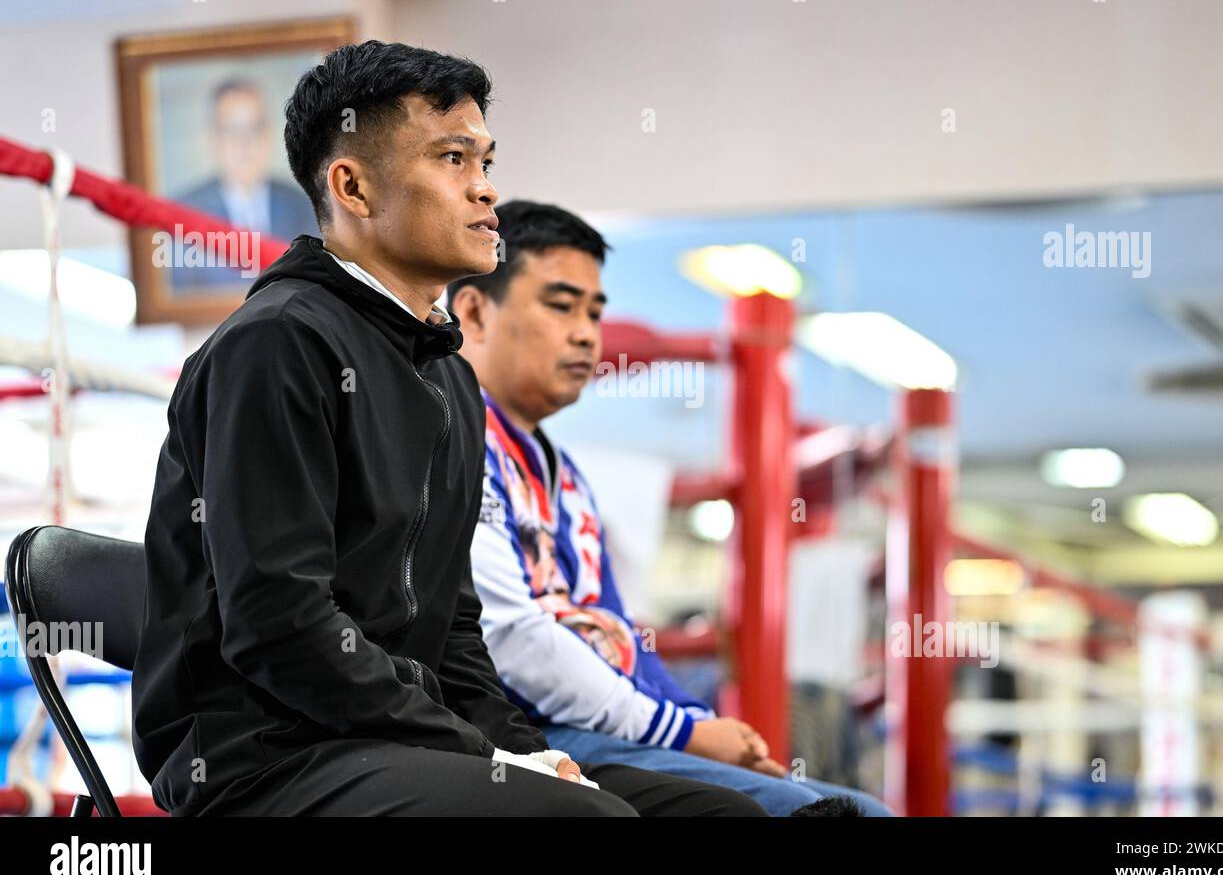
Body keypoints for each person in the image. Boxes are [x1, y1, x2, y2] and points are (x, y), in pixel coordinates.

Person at [131, 41, 764, 818]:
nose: (485, 189)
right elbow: (277, 625)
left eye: (485, 160)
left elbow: (454, 627)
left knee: (722, 814)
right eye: (452, 159)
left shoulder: (446, 374)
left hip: (396, 743)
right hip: (262, 760)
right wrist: (477, 752)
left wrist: (524, 750)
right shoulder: (277, 344)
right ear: (353, 185)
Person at [449, 199, 891, 816]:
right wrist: (682, 733)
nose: (585, 333)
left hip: (600, 728)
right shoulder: (453, 439)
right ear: (473, 310)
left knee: (854, 807)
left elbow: (613, 630)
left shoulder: (560, 472)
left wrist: (696, 723)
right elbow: (512, 637)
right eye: (559, 305)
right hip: (523, 734)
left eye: (594, 313)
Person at [171, 78, 318, 290]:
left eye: (255, 128)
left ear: (269, 135)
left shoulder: (305, 205)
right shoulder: (184, 212)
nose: (245, 143)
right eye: (232, 129)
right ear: (213, 140)